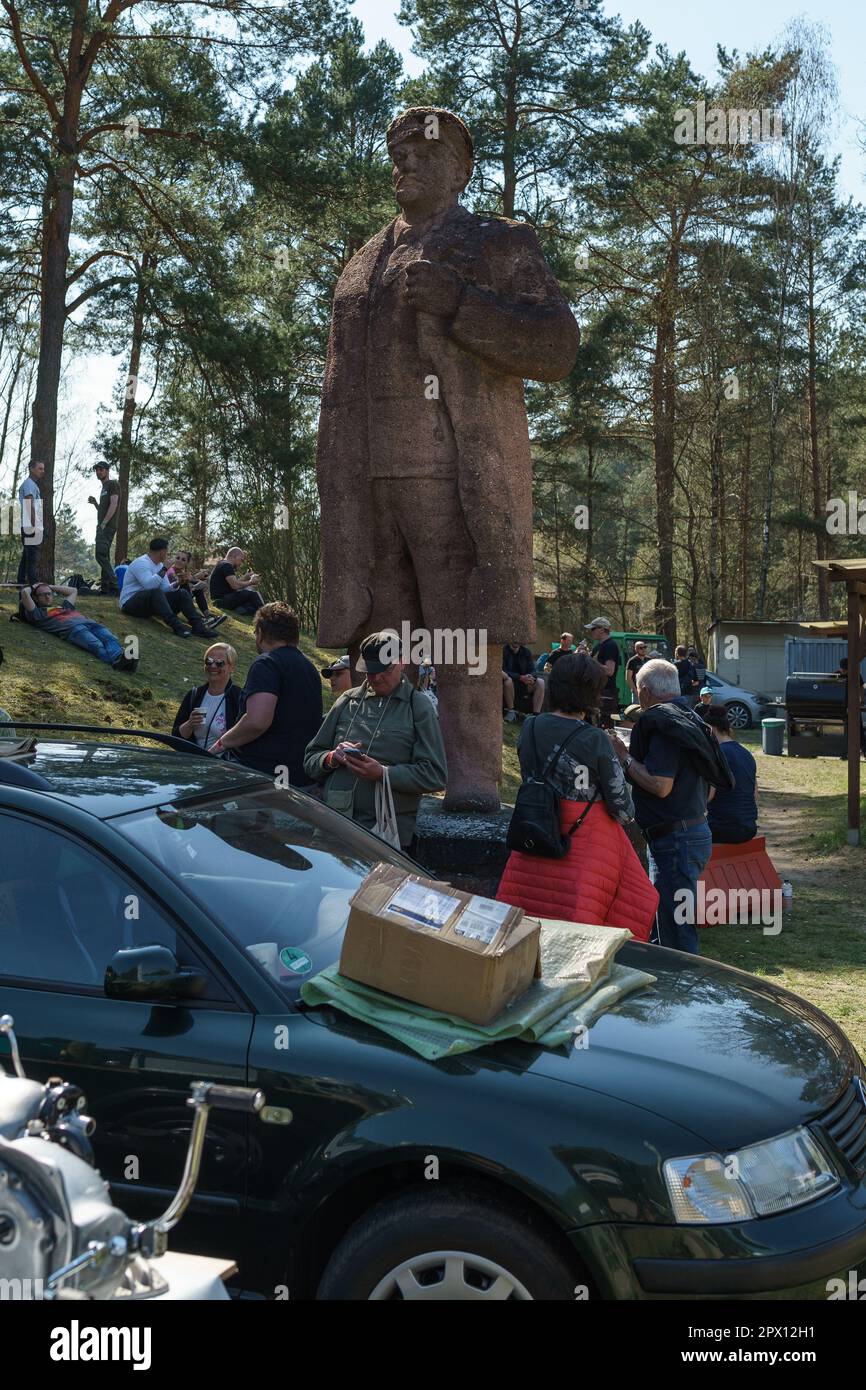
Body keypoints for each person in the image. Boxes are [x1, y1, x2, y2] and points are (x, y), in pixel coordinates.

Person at [315, 105, 579, 813]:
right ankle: (379, 771)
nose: (404, 162)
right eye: (396, 151)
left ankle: (470, 780)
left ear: (461, 169)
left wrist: (463, 303)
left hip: (454, 475)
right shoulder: (362, 261)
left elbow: (556, 346)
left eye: (422, 153)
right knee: (381, 634)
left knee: (467, 628)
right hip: (364, 483)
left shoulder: (495, 242)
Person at [496, 653, 656, 937]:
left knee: (523, 932)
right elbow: (623, 810)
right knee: (580, 939)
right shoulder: (595, 739)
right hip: (584, 851)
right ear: (591, 693)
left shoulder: (530, 728)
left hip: (533, 839)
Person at [606, 658, 734, 954]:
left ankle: (682, 992)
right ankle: (671, 984)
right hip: (691, 830)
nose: (637, 697)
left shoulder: (661, 723)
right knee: (667, 923)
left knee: (676, 932)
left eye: (637, 691)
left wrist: (623, 756)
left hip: (676, 838)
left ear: (646, 693)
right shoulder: (692, 717)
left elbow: (661, 785)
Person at [304, 631, 448, 850]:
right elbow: (311, 759)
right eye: (371, 671)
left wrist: (383, 773)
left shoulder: (418, 707)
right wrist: (333, 757)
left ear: (402, 662)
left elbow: (434, 775)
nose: (376, 677)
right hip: (333, 828)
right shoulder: (347, 700)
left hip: (384, 835)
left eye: (384, 670)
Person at [211, 602, 321, 785]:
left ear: (260, 632)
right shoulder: (310, 669)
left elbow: (257, 722)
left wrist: (221, 744)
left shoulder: (267, 663)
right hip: (299, 777)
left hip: (261, 776)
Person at [19, 582, 137, 671]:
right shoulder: (37, 614)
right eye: (43, 595)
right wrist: (35, 586)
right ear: (35, 598)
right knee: (96, 645)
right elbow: (24, 593)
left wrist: (50, 586)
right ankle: (120, 662)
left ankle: (123, 660)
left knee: (110, 638)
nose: (48, 597)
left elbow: (73, 591)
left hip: (90, 623)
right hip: (73, 630)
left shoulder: (64, 607)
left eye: (49, 594)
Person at [120, 538, 219, 638]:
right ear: (162, 552)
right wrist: (164, 569)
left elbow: (165, 588)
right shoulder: (141, 563)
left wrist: (178, 583)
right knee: (155, 591)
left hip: (147, 606)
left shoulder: (159, 565)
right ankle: (177, 626)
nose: (167, 554)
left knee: (182, 593)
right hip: (130, 604)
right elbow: (149, 585)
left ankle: (199, 627)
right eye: (166, 551)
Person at [702, 704, 758, 843]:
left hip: (723, 828)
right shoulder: (746, 754)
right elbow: (755, 793)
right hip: (749, 827)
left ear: (711, 729)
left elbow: (708, 796)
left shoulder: (717, 755)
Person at [172, 643, 242, 751]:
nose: (213, 666)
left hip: (224, 765)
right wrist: (190, 724)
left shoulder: (239, 698)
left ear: (231, 668)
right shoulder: (194, 695)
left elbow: (244, 737)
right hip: (194, 761)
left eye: (219, 663)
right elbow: (175, 738)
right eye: (209, 661)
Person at [168, 551, 225, 627]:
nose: (179, 561)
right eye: (178, 558)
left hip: (180, 601)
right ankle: (200, 619)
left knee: (197, 589)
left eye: (183, 560)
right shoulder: (170, 571)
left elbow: (202, 584)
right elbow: (175, 586)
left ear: (186, 563)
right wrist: (194, 581)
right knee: (185, 586)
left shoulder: (184, 573)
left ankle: (208, 615)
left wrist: (195, 584)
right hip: (169, 604)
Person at [88, 462, 120, 595]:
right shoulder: (104, 487)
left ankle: (115, 583)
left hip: (106, 526)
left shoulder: (113, 484)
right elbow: (104, 508)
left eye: (101, 470)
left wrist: (104, 523)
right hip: (103, 525)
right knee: (104, 555)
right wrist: (96, 503)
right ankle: (106, 589)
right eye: (96, 470)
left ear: (107, 470)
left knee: (100, 555)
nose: (98, 472)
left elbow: (114, 504)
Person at [585, 617, 620, 727]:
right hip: (596, 692)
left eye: (593, 629)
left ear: (601, 629)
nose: (591, 632)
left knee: (605, 727)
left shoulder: (610, 645)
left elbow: (609, 671)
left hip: (606, 693)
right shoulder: (597, 646)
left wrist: (589, 660)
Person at [209, 548, 264, 615]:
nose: (241, 563)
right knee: (253, 595)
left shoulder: (222, 563)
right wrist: (251, 582)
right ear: (235, 556)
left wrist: (245, 577)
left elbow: (233, 583)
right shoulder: (227, 565)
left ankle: (245, 610)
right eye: (241, 560)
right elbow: (235, 586)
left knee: (250, 603)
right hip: (222, 600)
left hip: (221, 600)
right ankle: (266, 615)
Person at [17, 460, 44, 587]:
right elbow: (29, 505)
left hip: (30, 524)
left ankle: (21, 581)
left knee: (27, 556)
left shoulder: (33, 485)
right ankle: (34, 584)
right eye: (40, 468)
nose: (42, 471)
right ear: (31, 469)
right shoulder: (29, 484)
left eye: (43, 469)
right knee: (33, 557)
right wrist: (34, 525)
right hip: (30, 525)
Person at [502, 641, 545, 722]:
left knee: (540, 682)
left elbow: (533, 669)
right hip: (510, 682)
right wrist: (520, 677)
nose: (516, 641)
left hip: (524, 683)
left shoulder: (526, 652)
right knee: (508, 681)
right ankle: (511, 712)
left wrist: (531, 676)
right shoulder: (503, 651)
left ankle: (535, 715)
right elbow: (503, 670)